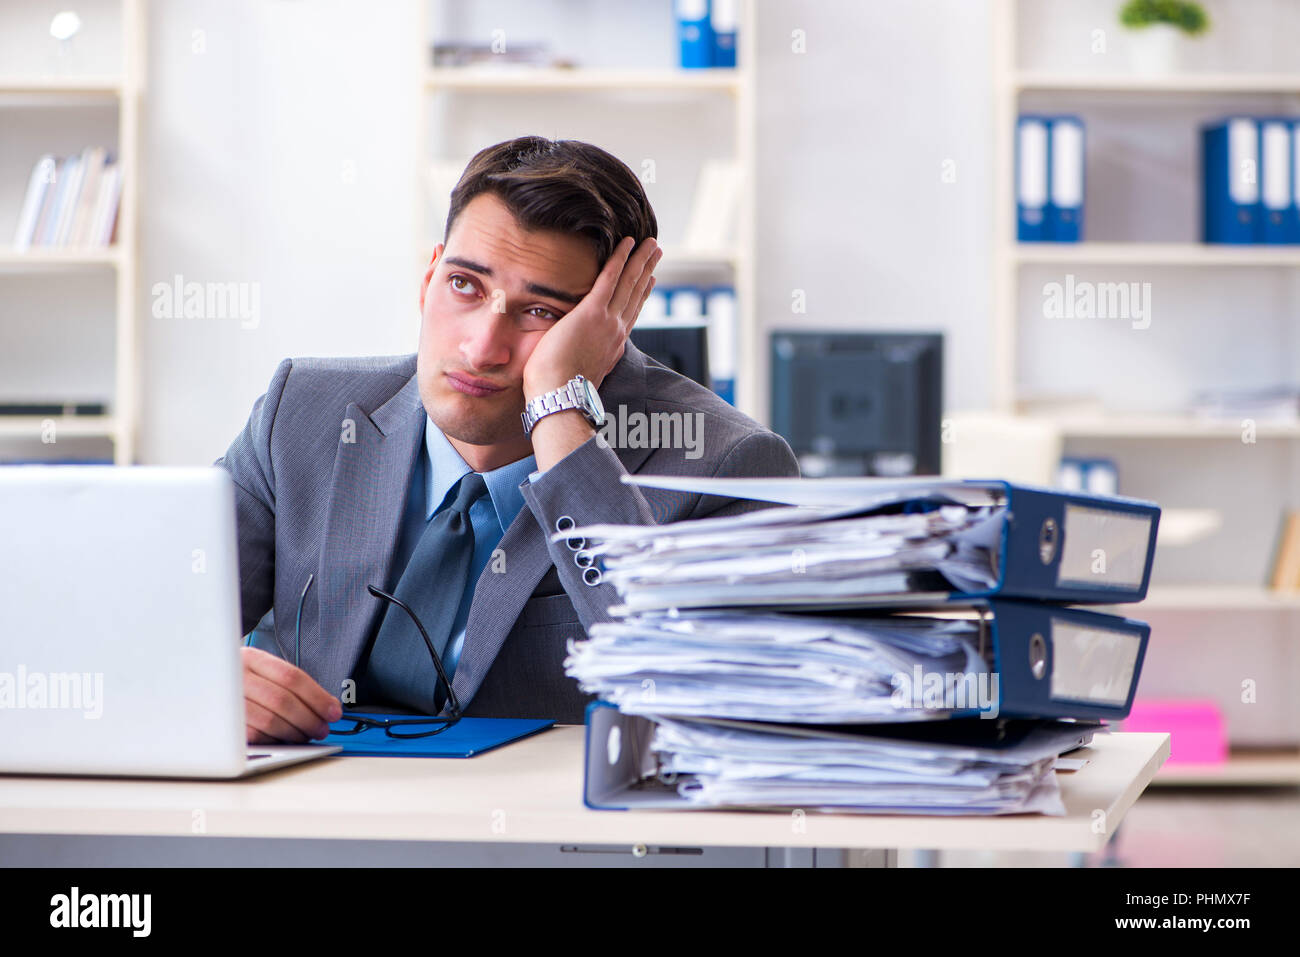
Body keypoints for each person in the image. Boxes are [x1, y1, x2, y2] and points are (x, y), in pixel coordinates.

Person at [217, 136, 799, 740]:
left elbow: (703, 705)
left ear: (609, 328)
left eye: (542, 312)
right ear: (429, 278)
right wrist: (202, 679)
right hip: (306, 817)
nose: (481, 347)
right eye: (464, 285)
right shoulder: (303, 415)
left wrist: (557, 406)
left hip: (550, 830)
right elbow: (142, 615)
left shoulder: (723, 467)